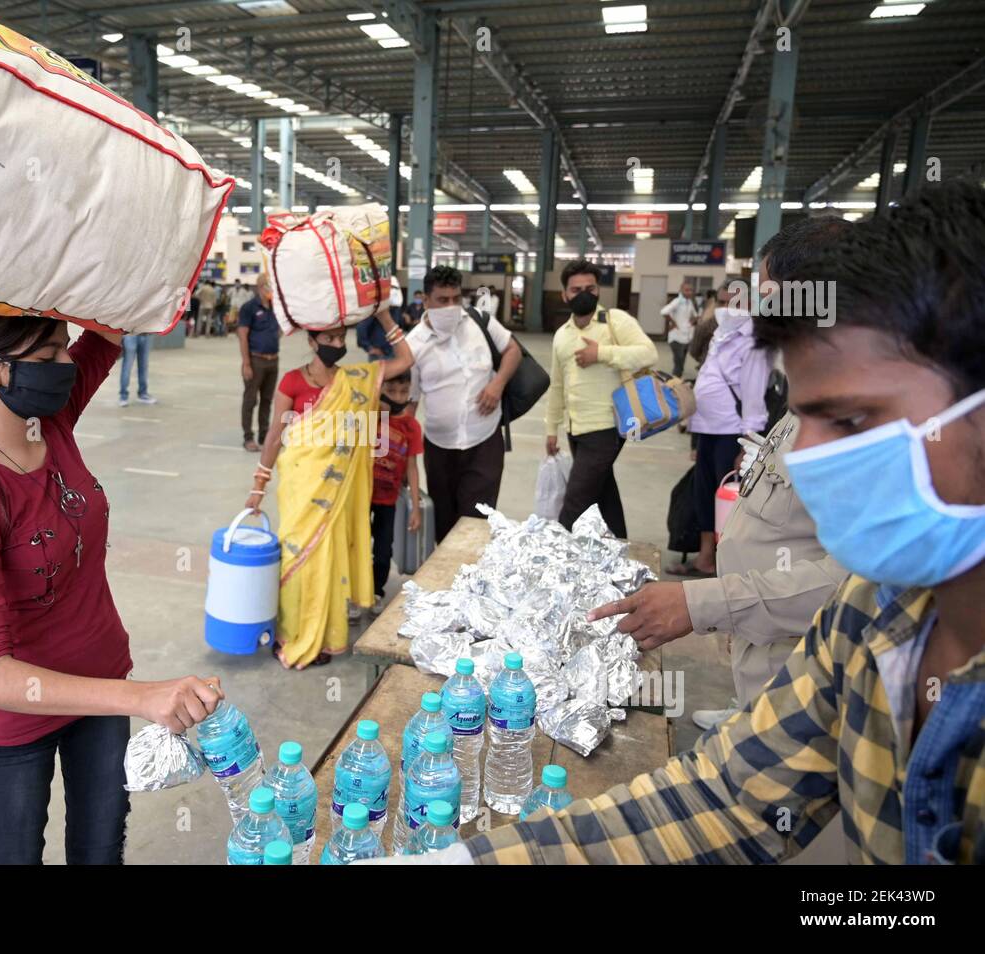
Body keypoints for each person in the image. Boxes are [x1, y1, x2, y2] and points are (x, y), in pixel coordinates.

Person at [392, 180, 985, 867]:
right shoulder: (873, 617)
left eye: (853, 421)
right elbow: (727, 798)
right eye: (808, 416)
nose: (814, 459)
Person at [0, 314, 224, 864]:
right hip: (17, 722)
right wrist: (143, 696)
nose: (66, 364)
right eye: (52, 354)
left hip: (100, 694)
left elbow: (109, 328)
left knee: (100, 853)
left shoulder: (47, 425)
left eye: (62, 350)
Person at [585, 218, 852, 732]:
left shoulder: (859, 423)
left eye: (768, 295)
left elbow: (853, 586)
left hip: (809, 707)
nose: (757, 309)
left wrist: (705, 603)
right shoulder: (806, 392)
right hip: (768, 668)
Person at [248, 303, 414, 669]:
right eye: (329, 337)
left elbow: (405, 359)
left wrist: (384, 317)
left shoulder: (355, 378)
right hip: (300, 484)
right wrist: (259, 484)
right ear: (312, 340)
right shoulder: (292, 380)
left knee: (327, 558)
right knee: (297, 556)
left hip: (336, 491)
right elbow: (276, 434)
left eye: (341, 336)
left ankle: (324, 633)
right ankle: (291, 634)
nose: (337, 342)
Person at [544, 260, 658, 539]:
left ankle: (554, 557)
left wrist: (602, 354)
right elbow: (557, 385)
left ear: (598, 290)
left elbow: (648, 353)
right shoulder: (562, 335)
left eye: (590, 288)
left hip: (607, 427)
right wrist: (551, 428)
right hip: (575, 428)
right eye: (576, 289)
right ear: (565, 295)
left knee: (575, 501)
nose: (583, 293)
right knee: (603, 493)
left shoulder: (616, 321)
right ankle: (622, 547)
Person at [408, 265, 521, 544]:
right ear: (425, 300)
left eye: (456, 299)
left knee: (476, 522)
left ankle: (474, 580)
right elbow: (409, 403)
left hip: (484, 440)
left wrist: (498, 383)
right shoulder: (413, 345)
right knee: (444, 524)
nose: (451, 306)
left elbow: (512, 350)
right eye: (442, 300)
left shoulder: (479, 322)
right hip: (440, 447)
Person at [679, 278, 772, 576]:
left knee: (731, 500)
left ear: (749, 303)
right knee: (705, 495)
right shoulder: (719, 334)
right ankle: (705, 557)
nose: (726, 308)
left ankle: (728, 565)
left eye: (734, 301)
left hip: (732, 432)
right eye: (720, 302)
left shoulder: (754, 342)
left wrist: (749, 444)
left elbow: (755, 396)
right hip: (707, 428)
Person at [370, 371, 423, 615]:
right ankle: (354, 593)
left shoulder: (411, 427)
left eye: (403, 392)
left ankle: (375, 591)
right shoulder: (371, 419)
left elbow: (412, 467)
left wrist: (415, 507)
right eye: (391, 392)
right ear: (380, 390)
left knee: (383, 551)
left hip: (388, 500)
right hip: (361, 499)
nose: (398, 398)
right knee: (355, 548)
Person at [237, 276, 280, 452]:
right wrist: (246, 363)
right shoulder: (249, 308)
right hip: (256, 360)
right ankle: (248, 437)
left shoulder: (275, 308)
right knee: (250, 399)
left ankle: (264, 435)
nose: (270, 290)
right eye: (268, 287)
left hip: (273, 360)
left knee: (267, 400)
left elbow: (278, 331)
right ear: (260, 287)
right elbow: (242, 336)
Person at [660, 281, 699, 377]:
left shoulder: (689, 302)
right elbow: (664, 312)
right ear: (681, 290)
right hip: (676, 337)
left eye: (691, 290)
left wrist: (692, 321)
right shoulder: (677, 301)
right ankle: (674, 384)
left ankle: (678, 383)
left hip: (686, 337)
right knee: (678, 363)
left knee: (681, 364)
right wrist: (673, 323)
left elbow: (696, 315)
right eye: (686, 290)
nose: (689, 292)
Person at [117, 333, 155, 407]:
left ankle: (143, 394)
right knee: (127, 366)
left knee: (143, 365)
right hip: (130, 334)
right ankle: (123, 396)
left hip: (145, 334)